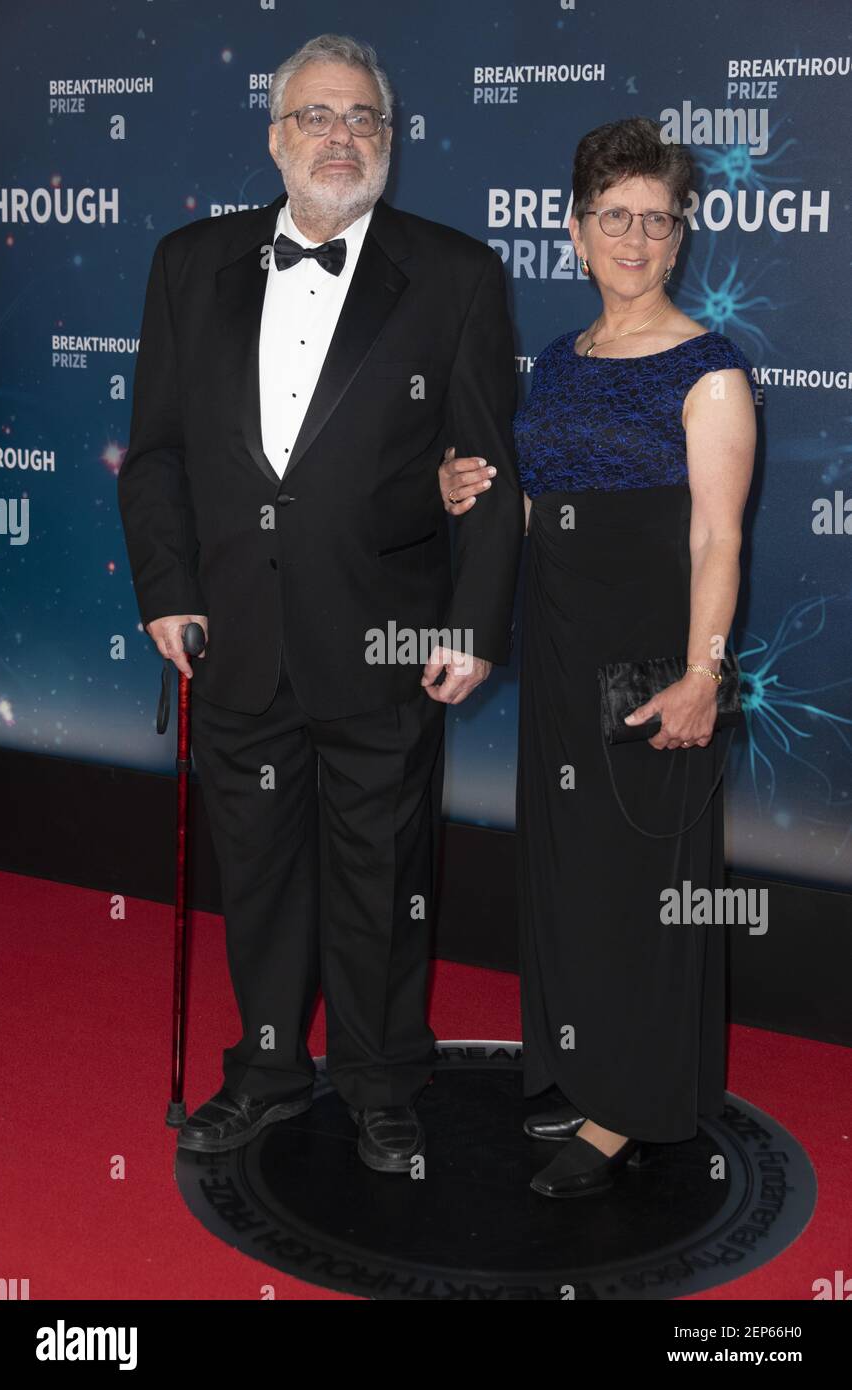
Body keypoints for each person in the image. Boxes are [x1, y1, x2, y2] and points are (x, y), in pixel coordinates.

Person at [118, 33, 523, 1173]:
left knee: (382, 877)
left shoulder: (454, 275)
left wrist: (474, 623)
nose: (339, 136)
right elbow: (153, 454)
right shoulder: (186, 264)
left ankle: (382, 1077)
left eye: (362, 119)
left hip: (388, 639)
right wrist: (167, 591)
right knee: (256, 873)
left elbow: (488, 469)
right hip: (233, 634)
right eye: (316, 116)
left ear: (389, 142)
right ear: (274, 135)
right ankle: (264, 1071)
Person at [439, 116, 757, 1197]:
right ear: (574, 232)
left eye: (654, 221)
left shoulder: (709, 371)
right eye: (612, 217)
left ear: (679, 237)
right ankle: (578, 1067)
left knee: (642, 880)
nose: (633, 238)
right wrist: (468, 498)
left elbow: (716, 535)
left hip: (647, 662)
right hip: (561, 653)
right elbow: (536, 506)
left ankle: (628, 1106)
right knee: (571, 874)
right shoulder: (559, 359)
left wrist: (702, 672)